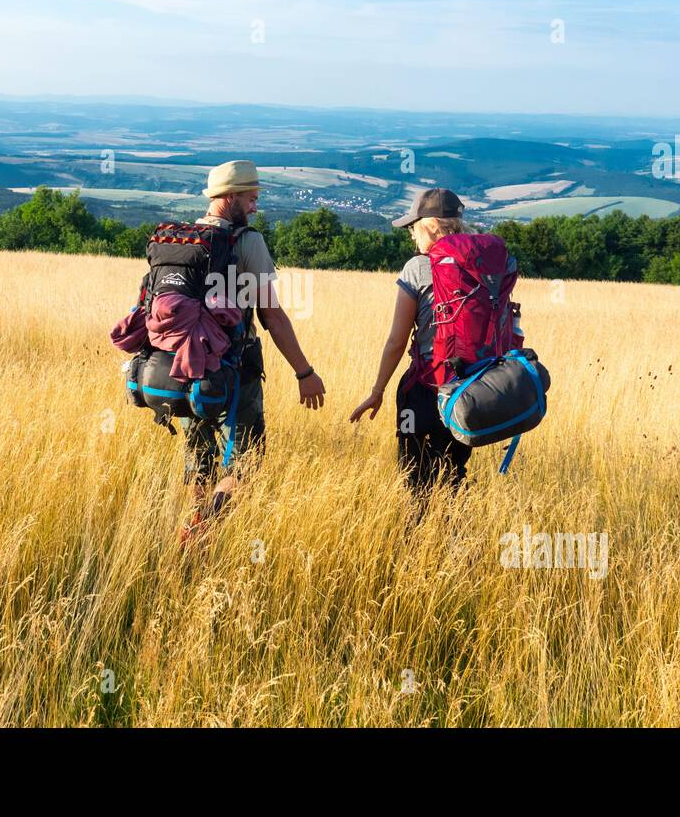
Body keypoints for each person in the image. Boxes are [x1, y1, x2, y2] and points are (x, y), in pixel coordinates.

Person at [180, 160, 326, 541]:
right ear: (229, 198)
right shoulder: (247, 242)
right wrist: (304, 373)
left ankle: (194, 526)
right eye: (250, 198)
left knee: (200, 460)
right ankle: (202, 533)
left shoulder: (184, 239)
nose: (255, 206)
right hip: (236, 368)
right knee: (244, 463)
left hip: (187, 370)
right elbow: (272, 315)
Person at [348, 188, 472, 504]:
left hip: (425, 388)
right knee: (454, 473)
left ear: (428, 226)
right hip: (471, 390)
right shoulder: (481, 265)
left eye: (414, 227)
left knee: (415, 479)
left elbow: (396, 341)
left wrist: (377, 392)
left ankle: (416, 544)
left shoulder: (417, 268)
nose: (412, 236)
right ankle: (460, 548)